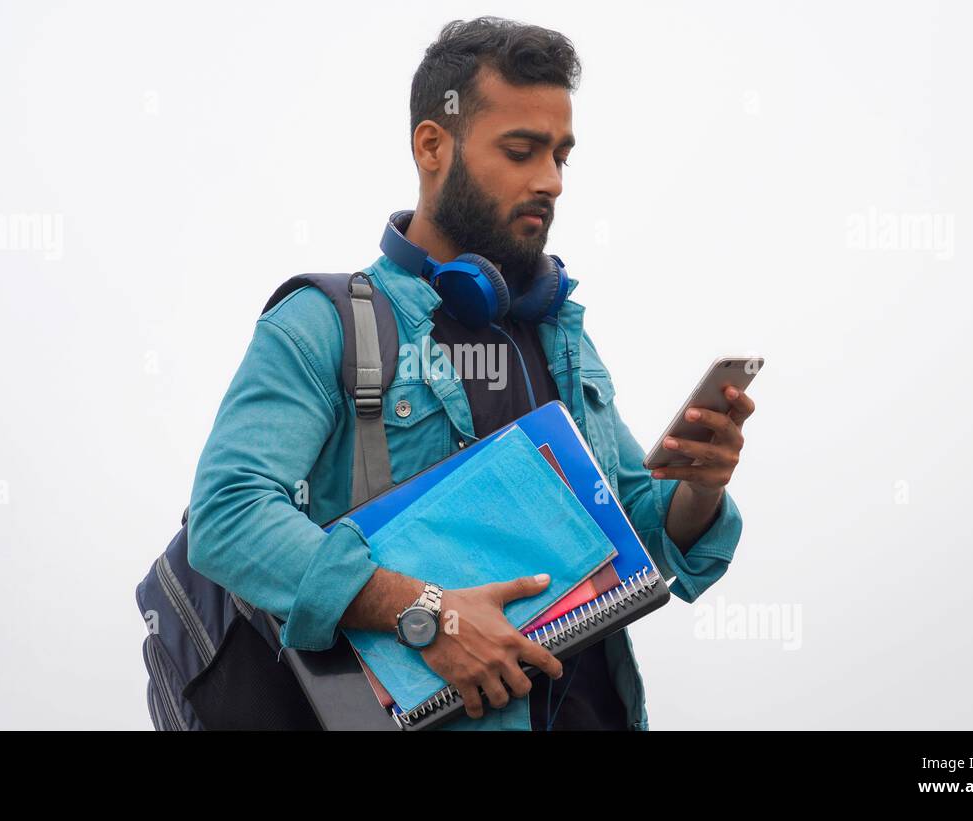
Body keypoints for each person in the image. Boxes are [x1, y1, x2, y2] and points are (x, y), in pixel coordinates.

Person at [187, 16, 756, 731]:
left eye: (561, 156)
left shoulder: (558, 334)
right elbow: (229, 515)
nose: (549, 181)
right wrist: (427, 613)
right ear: (433, 144)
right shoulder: (323, 323)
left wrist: (697, 488)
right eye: (520, 151)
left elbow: (639, 532)